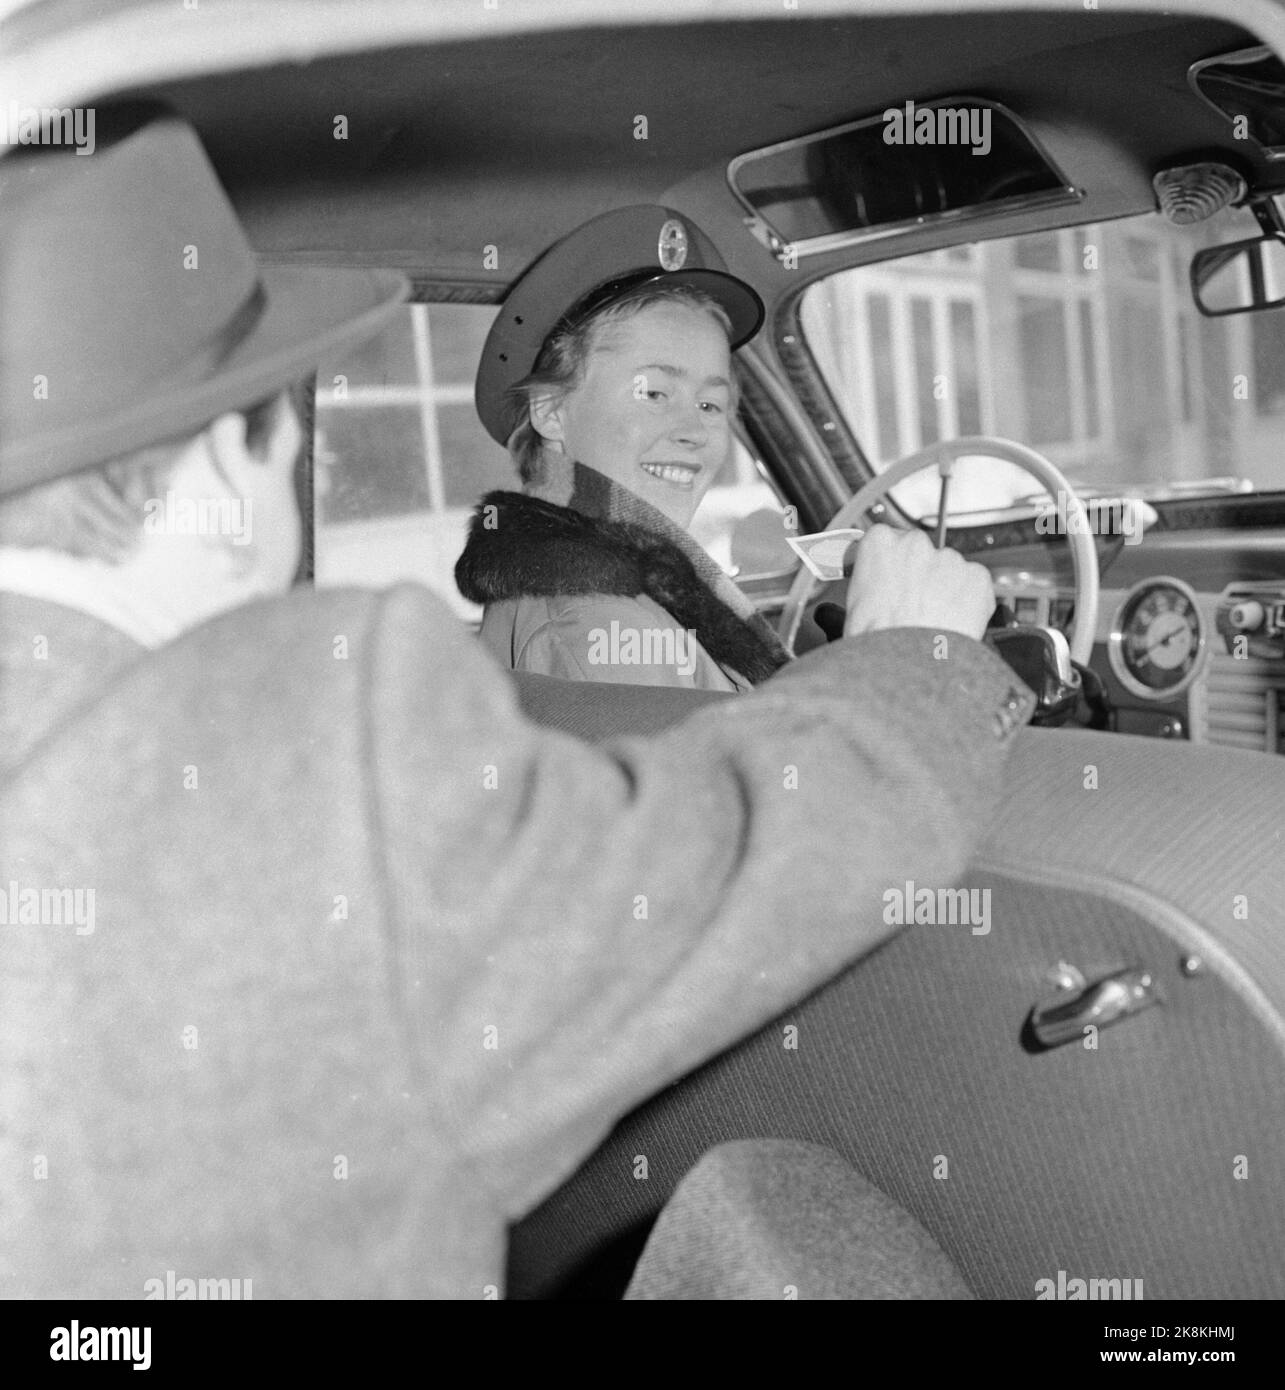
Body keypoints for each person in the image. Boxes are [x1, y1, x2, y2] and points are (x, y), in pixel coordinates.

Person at [0, 111, 1031, 1299]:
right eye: (656, 388)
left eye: (714, 399)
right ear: (229, 463)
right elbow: (738, 859)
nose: (701, 421)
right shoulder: (331, 736)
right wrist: (914, 654)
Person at [457, 206, 791, 691]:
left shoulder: (632, 594)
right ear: (551, 411)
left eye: (710, 404)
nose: (694, 430)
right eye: (654, 394)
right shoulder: (604, 635)